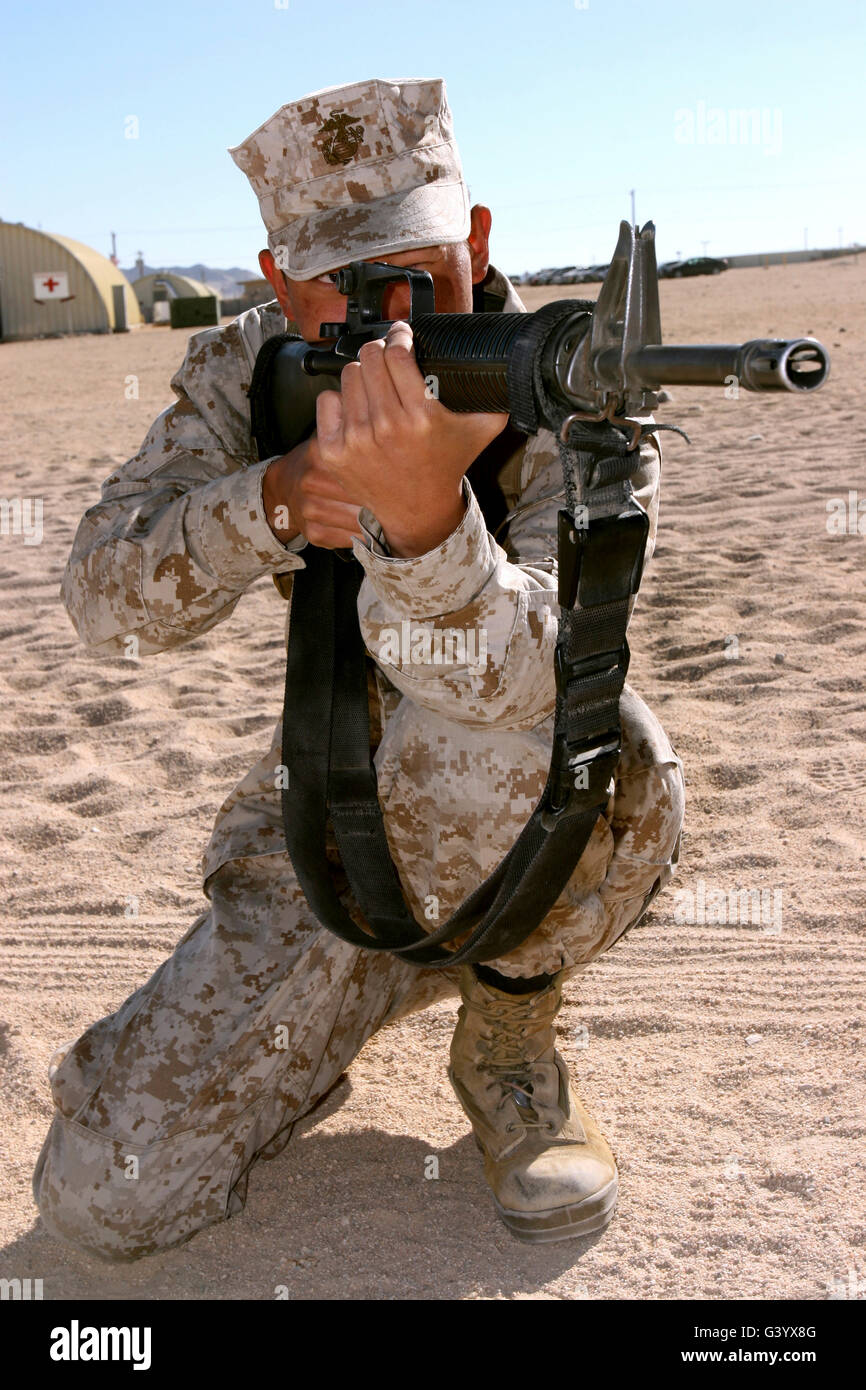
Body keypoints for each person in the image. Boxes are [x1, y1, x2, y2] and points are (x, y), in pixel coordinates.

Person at [33, 77, 685, 1259]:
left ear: (474, 238)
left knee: (613, 751)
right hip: (327, 827)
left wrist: (430, 529)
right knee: (105, 1195)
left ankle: (507, 1031)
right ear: (277, 280)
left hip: (514, 831)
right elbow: (102, 606)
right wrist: (274, 503)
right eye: (343, 283)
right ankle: (330, 1021)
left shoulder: (563, 384)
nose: (388, 319)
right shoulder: (244, 370)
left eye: (419, 272)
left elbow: (551, 680)